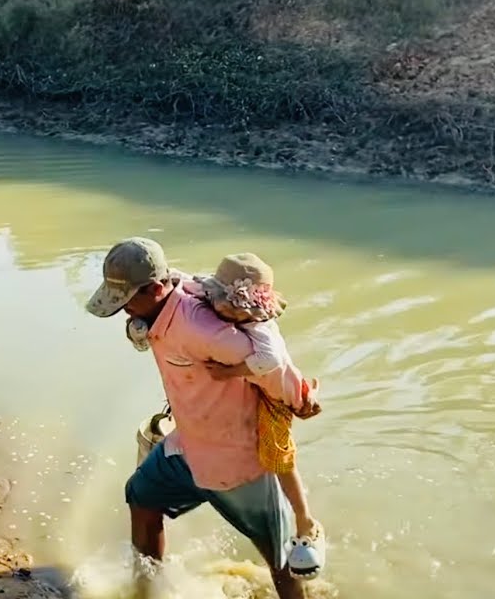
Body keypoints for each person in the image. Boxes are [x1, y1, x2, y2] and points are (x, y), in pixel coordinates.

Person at [85, 237, 321, 599]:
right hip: (187, 447)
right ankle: (146, 591)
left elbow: (273, 366)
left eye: (128, 300)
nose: (124, 310)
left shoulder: (205, 331)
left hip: (238, 462)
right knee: (141, 497)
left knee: (283, 560)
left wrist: (300, 399)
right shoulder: (170, 295)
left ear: (156, 288)